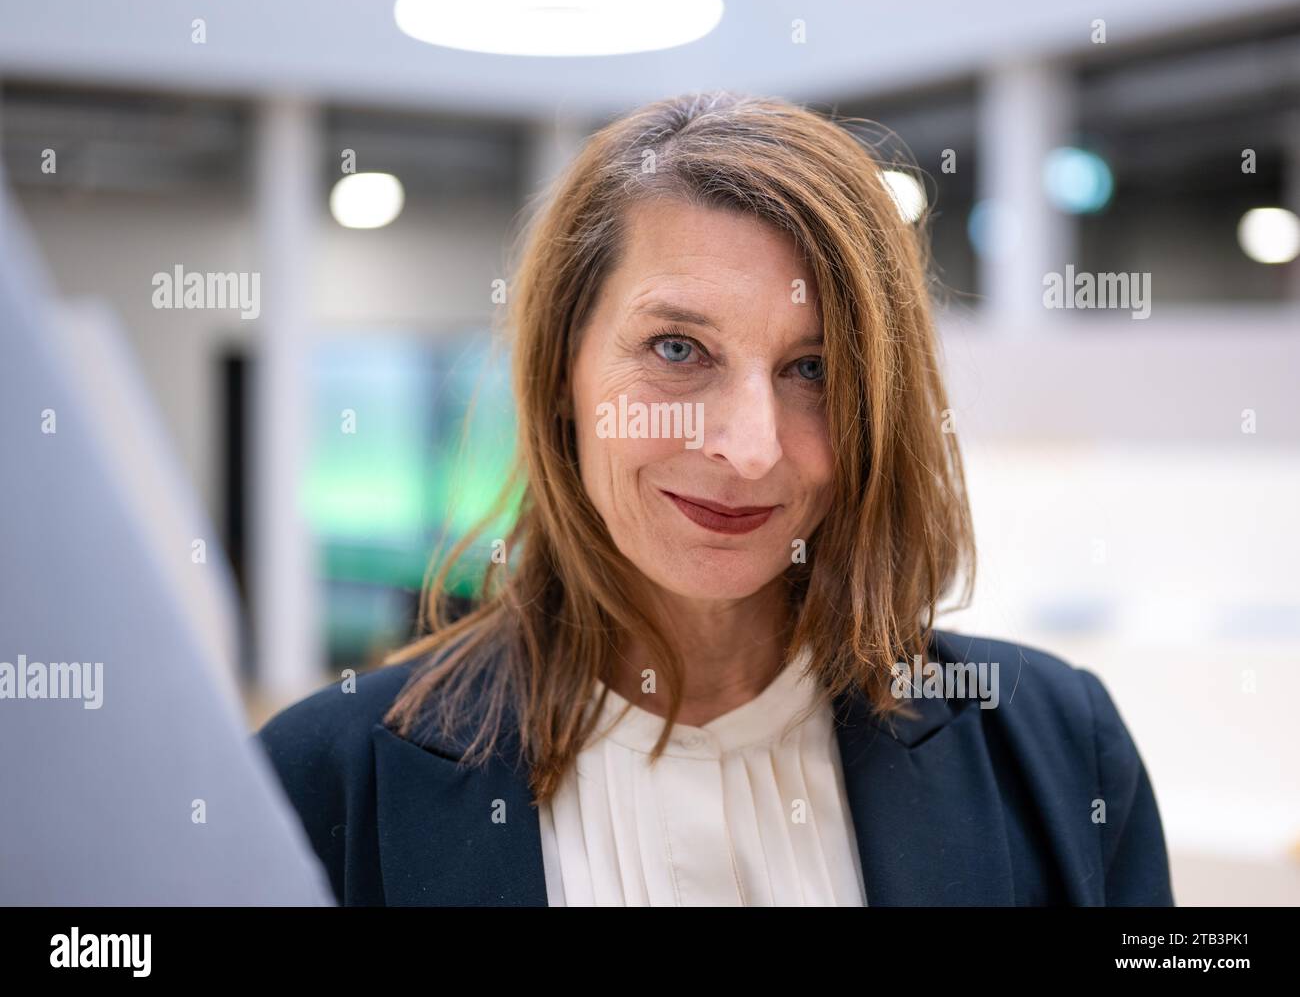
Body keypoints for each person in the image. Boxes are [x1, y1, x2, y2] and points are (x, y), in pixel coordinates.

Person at [256, 90, 1175, 907]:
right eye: (676, 349)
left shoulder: (1059, 748)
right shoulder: (324, 784)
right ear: (561, 376)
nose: (748, 448)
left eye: (812, 368)